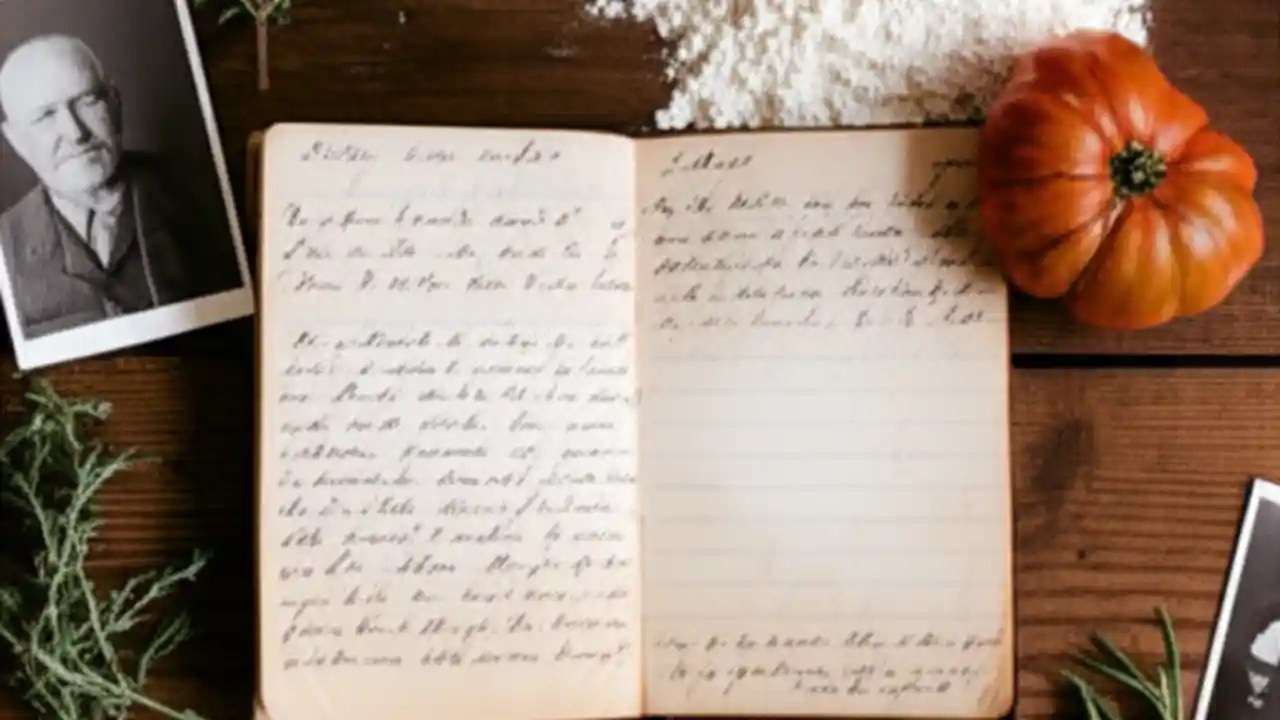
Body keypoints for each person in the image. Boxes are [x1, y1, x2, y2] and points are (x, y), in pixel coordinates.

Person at [0, 34, 238, 340]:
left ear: (114, 101)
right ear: (15, 139)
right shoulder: (6, 244)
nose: (76, 133)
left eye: (87, 101)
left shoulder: (205, 196)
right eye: (45, 116)